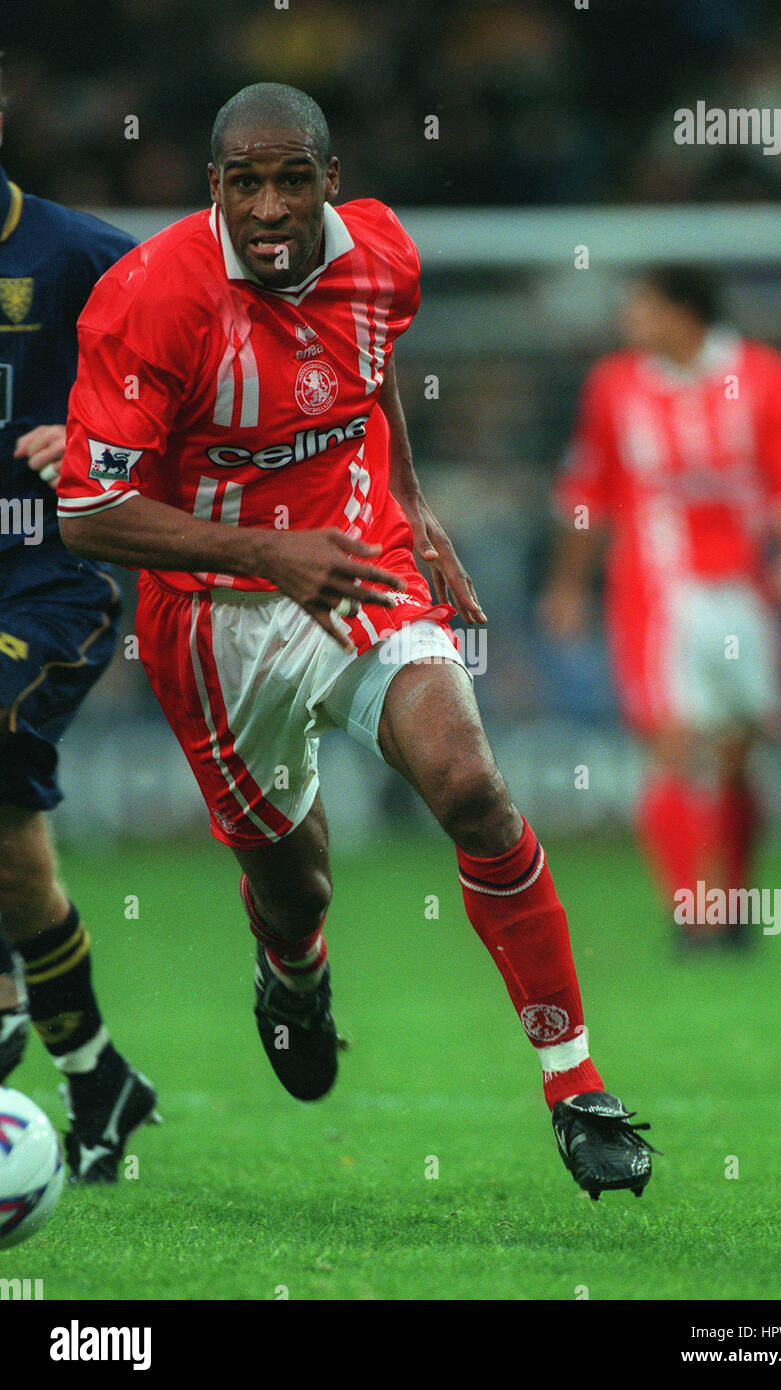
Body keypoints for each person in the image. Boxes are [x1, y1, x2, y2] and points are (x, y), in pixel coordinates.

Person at [57, 82, 655, 1201]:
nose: (270, 208)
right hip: (212, 621)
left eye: (293, 181)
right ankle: (293, 970)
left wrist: (411, 501)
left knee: (469, 785)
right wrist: (266, 553)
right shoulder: (147, 298)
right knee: (298, 887)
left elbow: (370, 373)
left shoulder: (381, 254)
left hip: (360, 560)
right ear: (214, 187)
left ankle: (574, 1084)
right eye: (246, 184)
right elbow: (89, 513)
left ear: (330, 182)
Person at [541, 267, 781, 947]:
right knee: (671, 740)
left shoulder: (763, 377)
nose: (629, 322)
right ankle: (690, 915)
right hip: (654, 590)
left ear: (684, 313)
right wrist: (567, 585)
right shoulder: (615, 386)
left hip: (745, 591)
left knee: (739, 747)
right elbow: (587, 490)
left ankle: (732, 904)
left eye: (643, 309)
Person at [0, 65, 159, 1178]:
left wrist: (100, 432)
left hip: (53, 578)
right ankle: (99, 1077)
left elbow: (193, 380)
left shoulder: (83, 256)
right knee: (11, 853)